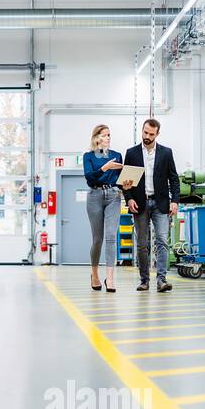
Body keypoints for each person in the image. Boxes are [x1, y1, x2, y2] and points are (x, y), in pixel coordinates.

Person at [120, 118, 180, 292]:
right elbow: (126, 181)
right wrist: (129, 199)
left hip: (161, 203)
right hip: (139, 203)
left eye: (151, 134)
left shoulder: (166, 153)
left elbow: (174, 179)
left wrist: (175, 201)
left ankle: (161, 280)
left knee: (162, 241)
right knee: (142, 244)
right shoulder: (131, 153)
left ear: (157, 134)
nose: (147, 136)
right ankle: (144, 280)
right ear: (142, 130)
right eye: (145, 132)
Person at [82, 124, 123, 292]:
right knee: (97, 240)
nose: (108, 138)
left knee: (111, 237)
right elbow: (89, 178)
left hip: (114, 195)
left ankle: (110, 279)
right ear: (96, 138)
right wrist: (104, 168)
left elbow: (121, 178)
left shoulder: (117, 155)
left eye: (109, 135)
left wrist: (126, 183)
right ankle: (94, 274)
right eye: (105, 135)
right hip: (94, 196)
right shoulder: (89, 156)